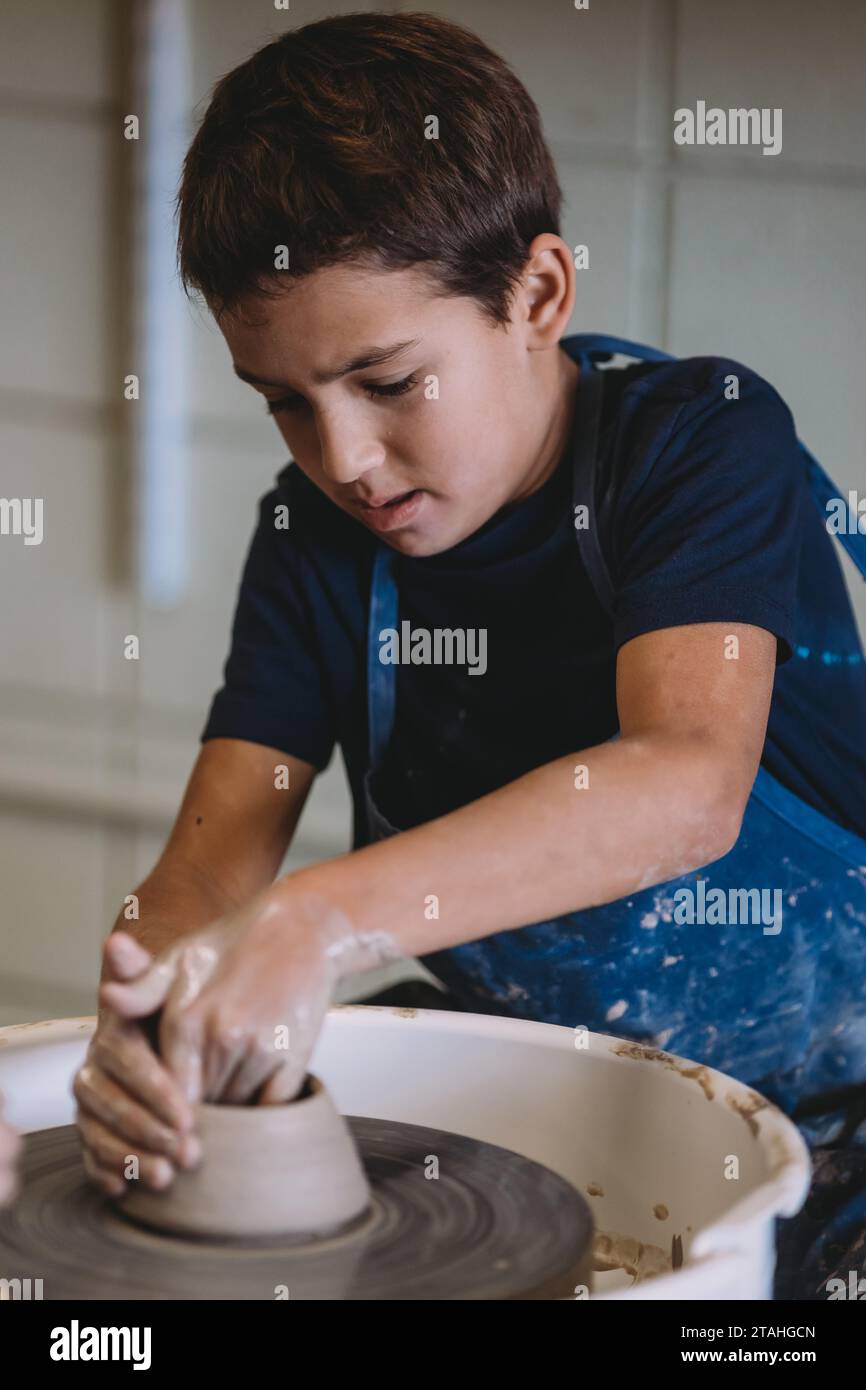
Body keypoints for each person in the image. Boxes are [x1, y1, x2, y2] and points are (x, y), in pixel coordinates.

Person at [73, 13, 866, 1298]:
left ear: (537, 294)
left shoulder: (697, 446)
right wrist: (137, 1029)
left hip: (844, 1099)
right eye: (283, 400)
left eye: (385, 381)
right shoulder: (313, 543)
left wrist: (317, 921)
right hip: (542, 1077)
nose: (340, 459)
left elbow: (683, 782)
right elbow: (209, 869)